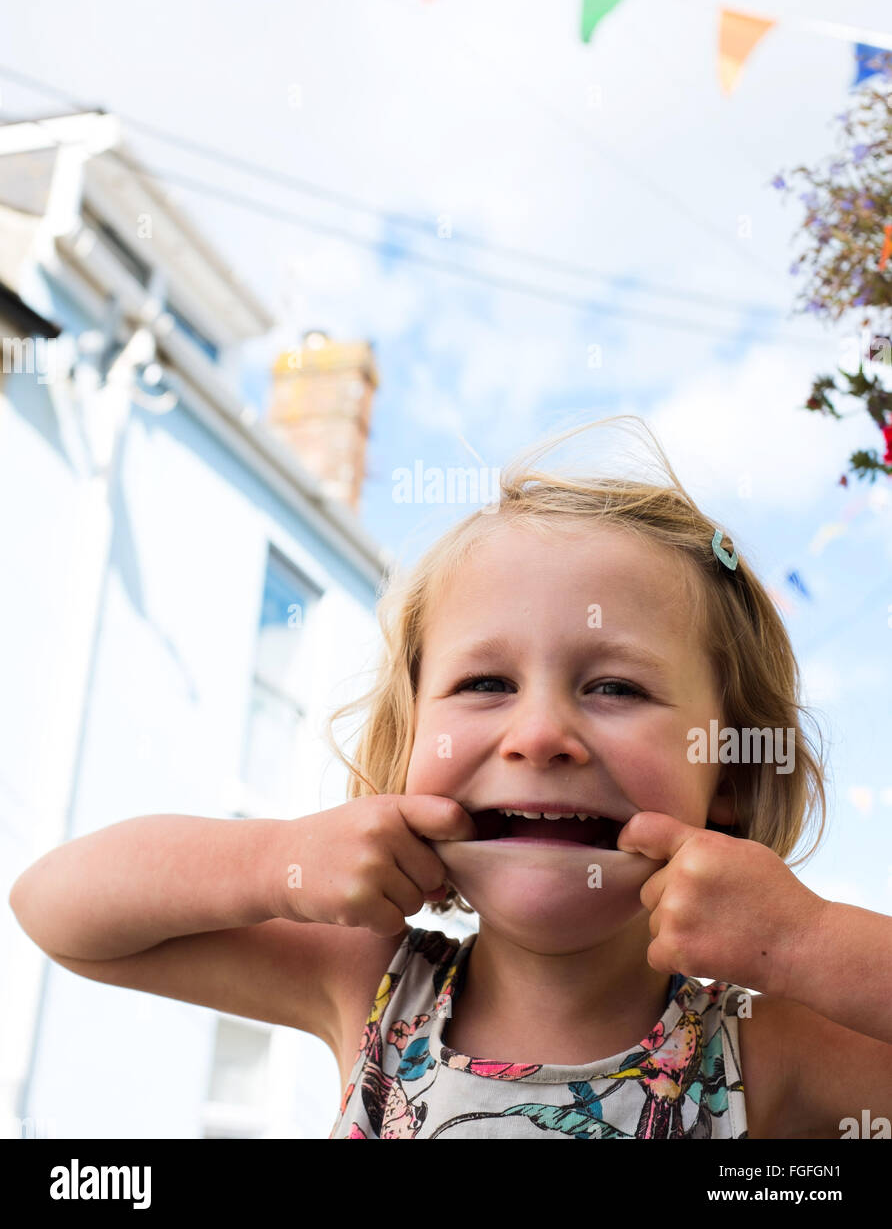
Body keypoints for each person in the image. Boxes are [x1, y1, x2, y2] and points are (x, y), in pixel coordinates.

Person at [9, 416, 892, 1139]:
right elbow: (58, 909)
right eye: (484, 684)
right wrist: (274, 859)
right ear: (407, 756)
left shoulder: (766, 1049)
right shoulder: (374, 988)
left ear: (729, 772)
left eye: (616, 687)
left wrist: (810, 941)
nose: (541, 734)